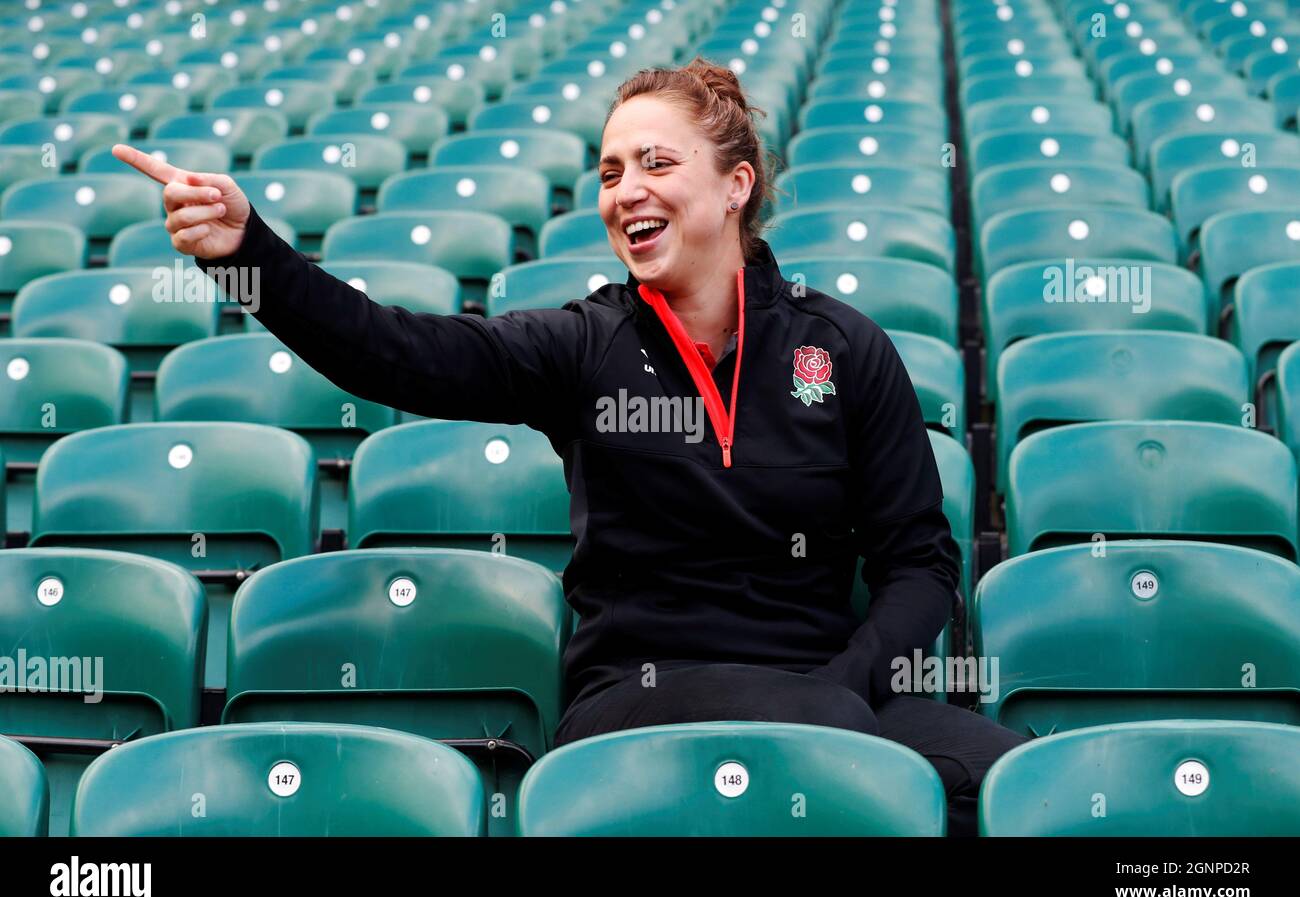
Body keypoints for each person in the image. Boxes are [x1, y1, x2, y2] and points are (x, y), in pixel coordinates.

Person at [113, 57, 1026, 835]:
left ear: (735, 185)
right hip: (635, 699)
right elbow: (395, 354)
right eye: (609, 171)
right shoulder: (583, 345)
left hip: (831, 691)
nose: (625, 190)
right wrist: (249, 256)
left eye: (656, 163)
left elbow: (919, 561)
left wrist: (849, 688)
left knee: (1022, 784)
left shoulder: (844, 346)